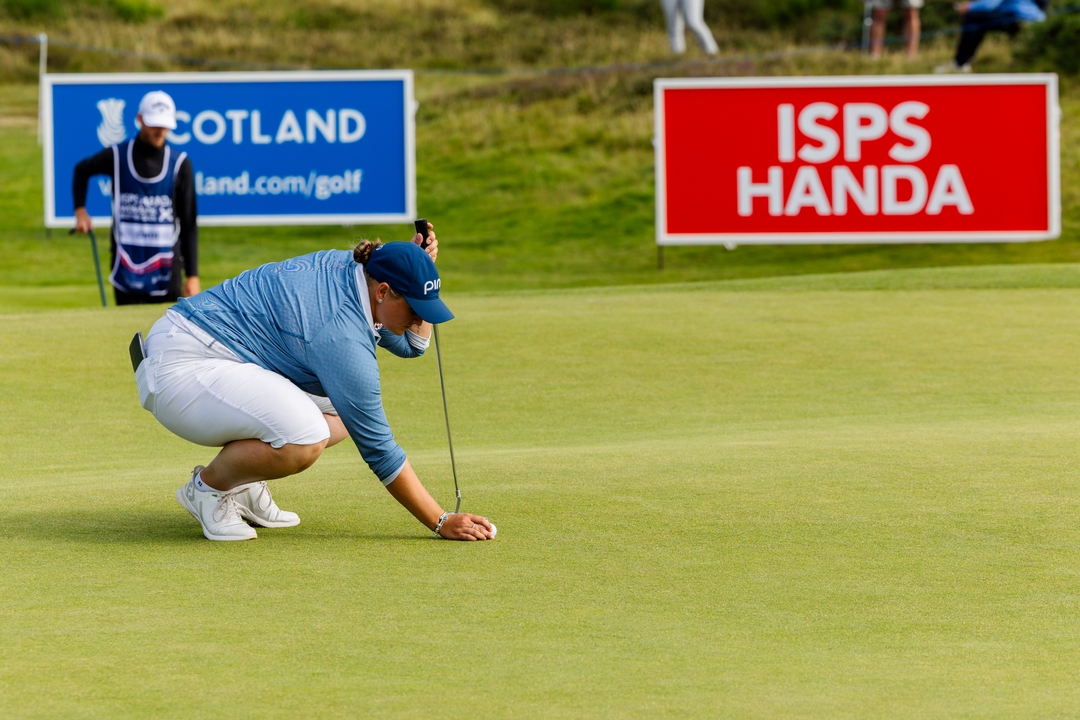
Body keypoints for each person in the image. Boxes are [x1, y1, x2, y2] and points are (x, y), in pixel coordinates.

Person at [134, 225, 495, 542]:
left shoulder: (358, 269)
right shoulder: (340, 332)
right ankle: (208, 489)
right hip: (182, 367)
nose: (419, 317)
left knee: (337, 413)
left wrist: (417, 268)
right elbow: (378, 447)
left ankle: (240, 483)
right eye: (415, 307)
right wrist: (440, 520)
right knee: (304, 436)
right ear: (383, 292)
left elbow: (412, 345)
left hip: (213, 351)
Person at [72, 90, 199, 305]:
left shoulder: (180, 164)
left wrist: (193, 275)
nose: (160, 130)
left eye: (164, 124)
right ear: (140, 119)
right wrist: (80, 211)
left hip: (168, 271)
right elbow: (81, 170)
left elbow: (189, 223)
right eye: (154, 124)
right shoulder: (117, 155)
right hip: (126, 268)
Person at [934, 0, 1047, 73]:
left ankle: (960, 63)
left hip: (1022, 19)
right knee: (979, 19)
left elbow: (990, 4)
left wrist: (969, 7)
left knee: (972, 17)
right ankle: (963, 61)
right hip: (1035, 18)